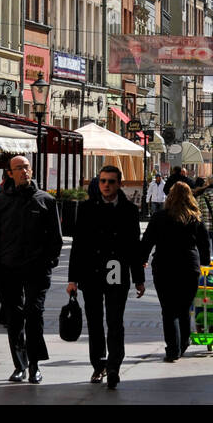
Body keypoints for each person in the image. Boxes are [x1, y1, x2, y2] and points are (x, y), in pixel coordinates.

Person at [0, 154, 62, 383]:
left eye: (26, 167)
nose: (24, 171)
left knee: (34, 314)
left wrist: (49, 261)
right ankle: (20, 364)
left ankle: (35, 365)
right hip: (7, 269)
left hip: (37, 269)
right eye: (18, 168)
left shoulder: (45, 200)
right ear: (10, 173)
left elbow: (55, 238)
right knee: (14, 317)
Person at [66, 164, 144, 390]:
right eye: (103, 181)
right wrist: (72, 279)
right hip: (91, 272)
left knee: (115, 321)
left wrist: (138, 278)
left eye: (111, 181)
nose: (106, 185)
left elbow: (133, 246)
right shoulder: (87, 208)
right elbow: (78, 246)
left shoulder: (129, 210)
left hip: (116, 271)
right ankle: (98, 363)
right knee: (95, 322)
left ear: (119, 184)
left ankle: (114, 366)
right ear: (98, 183)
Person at [139, 181, 210, 361]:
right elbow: (204, 244)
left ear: (169, 196)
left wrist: (142, 260)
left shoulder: (159, 216)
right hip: (189, 267)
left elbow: (147, 241)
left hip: (164, 266)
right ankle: (183, 342)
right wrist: (205, 263)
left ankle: (173, 349)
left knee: (168, 310)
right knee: (184, 308)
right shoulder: (195, 218)